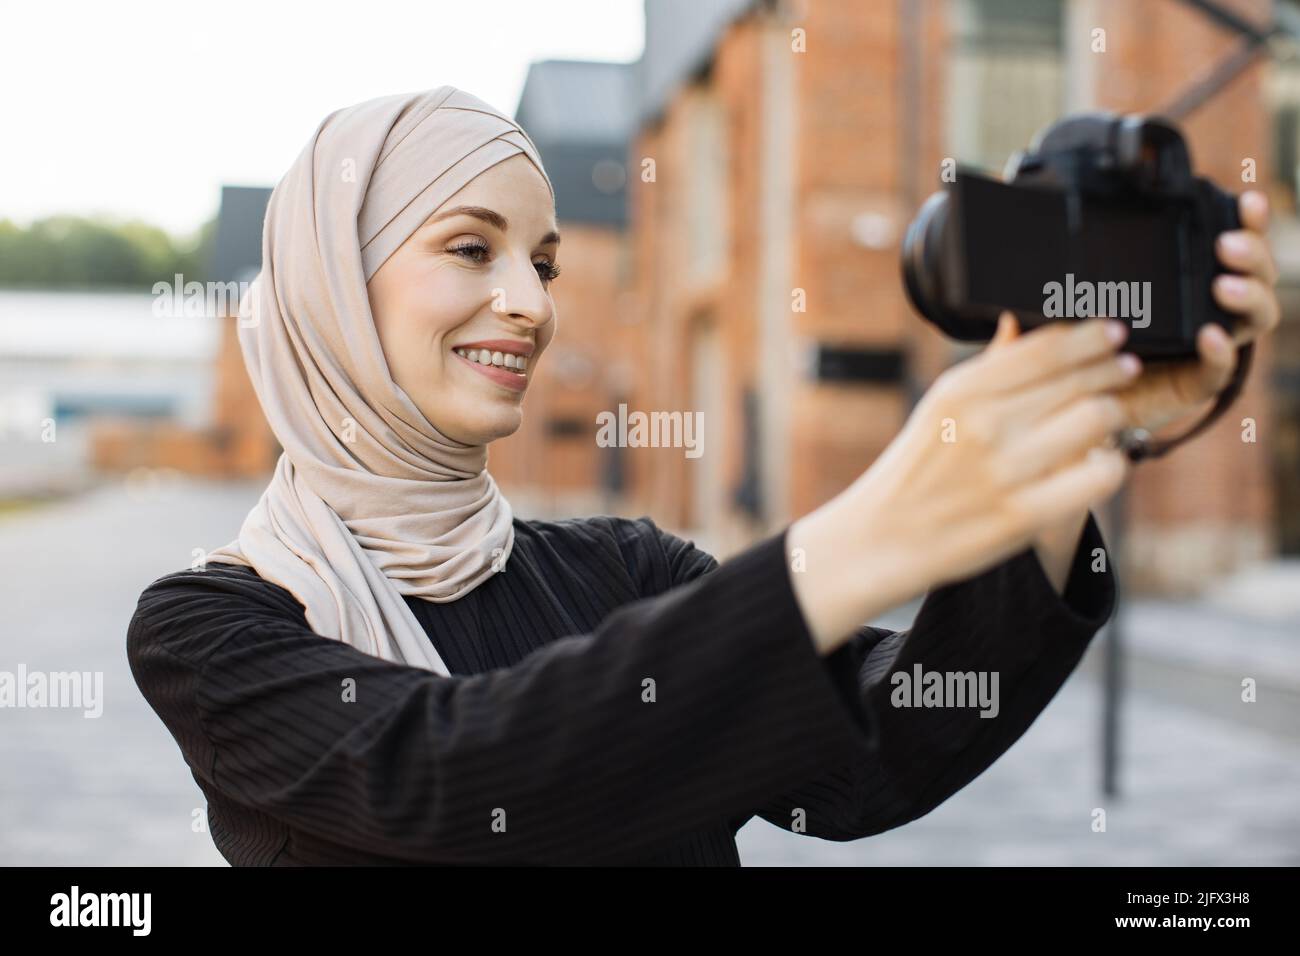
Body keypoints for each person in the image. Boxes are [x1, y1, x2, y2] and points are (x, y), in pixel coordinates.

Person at [126, 86, 1280, 866]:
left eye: (543, 260)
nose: (529, 302)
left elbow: (879, 750)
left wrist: (1068, 435)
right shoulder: (210, 627)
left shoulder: (625, 567)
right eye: (470, 248)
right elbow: (448, 772)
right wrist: (866, 532)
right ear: (334, 284)